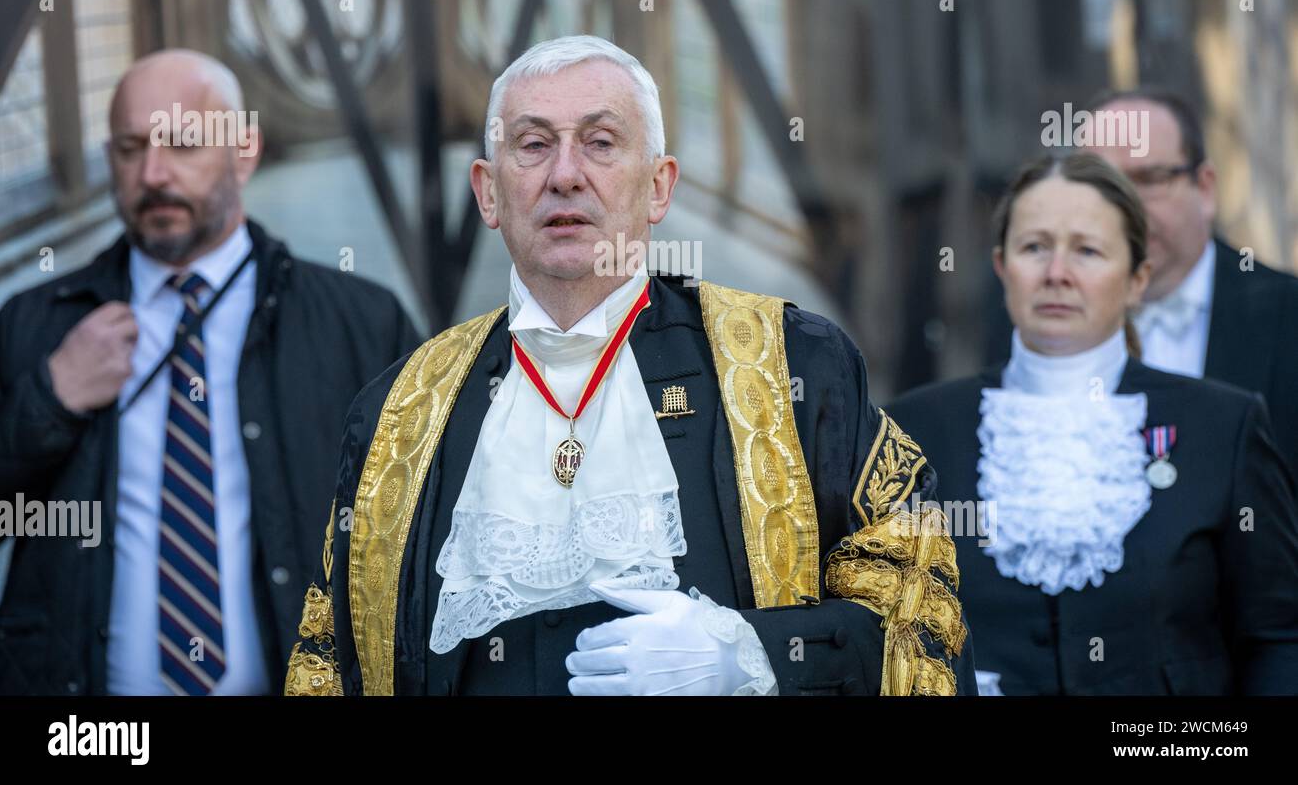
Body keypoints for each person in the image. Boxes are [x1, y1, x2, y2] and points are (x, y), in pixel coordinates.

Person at [284, 35, 974, 696]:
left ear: (658, 187)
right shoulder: (399, 413)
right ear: (488, 193)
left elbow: (920, 603)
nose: (564, 175)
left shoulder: (793, 365)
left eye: (601, 143)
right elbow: (328, 660)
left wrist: (752, 656)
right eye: (532, 146)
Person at [0, 49, 421, 695]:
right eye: (131, 148)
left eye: (183, 144)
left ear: (244, 151)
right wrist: (51, 400)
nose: (153, 173)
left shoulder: (359, 323)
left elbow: (432, 529)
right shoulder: (39, 324)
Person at [892, 151, 1298, 694]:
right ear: (1001, 266)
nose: (1057, 273)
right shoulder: (914, 428)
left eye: (1087, 250)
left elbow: (1277, 639)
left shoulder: (1223, 426)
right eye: (1034, 247)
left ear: (1137, 279)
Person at [987, 88, 1298, 475]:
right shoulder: (1032, 312)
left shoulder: (1287, 313)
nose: (1123, 204)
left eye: (1148, 178)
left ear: (1204, 188)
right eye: (1100, 183)